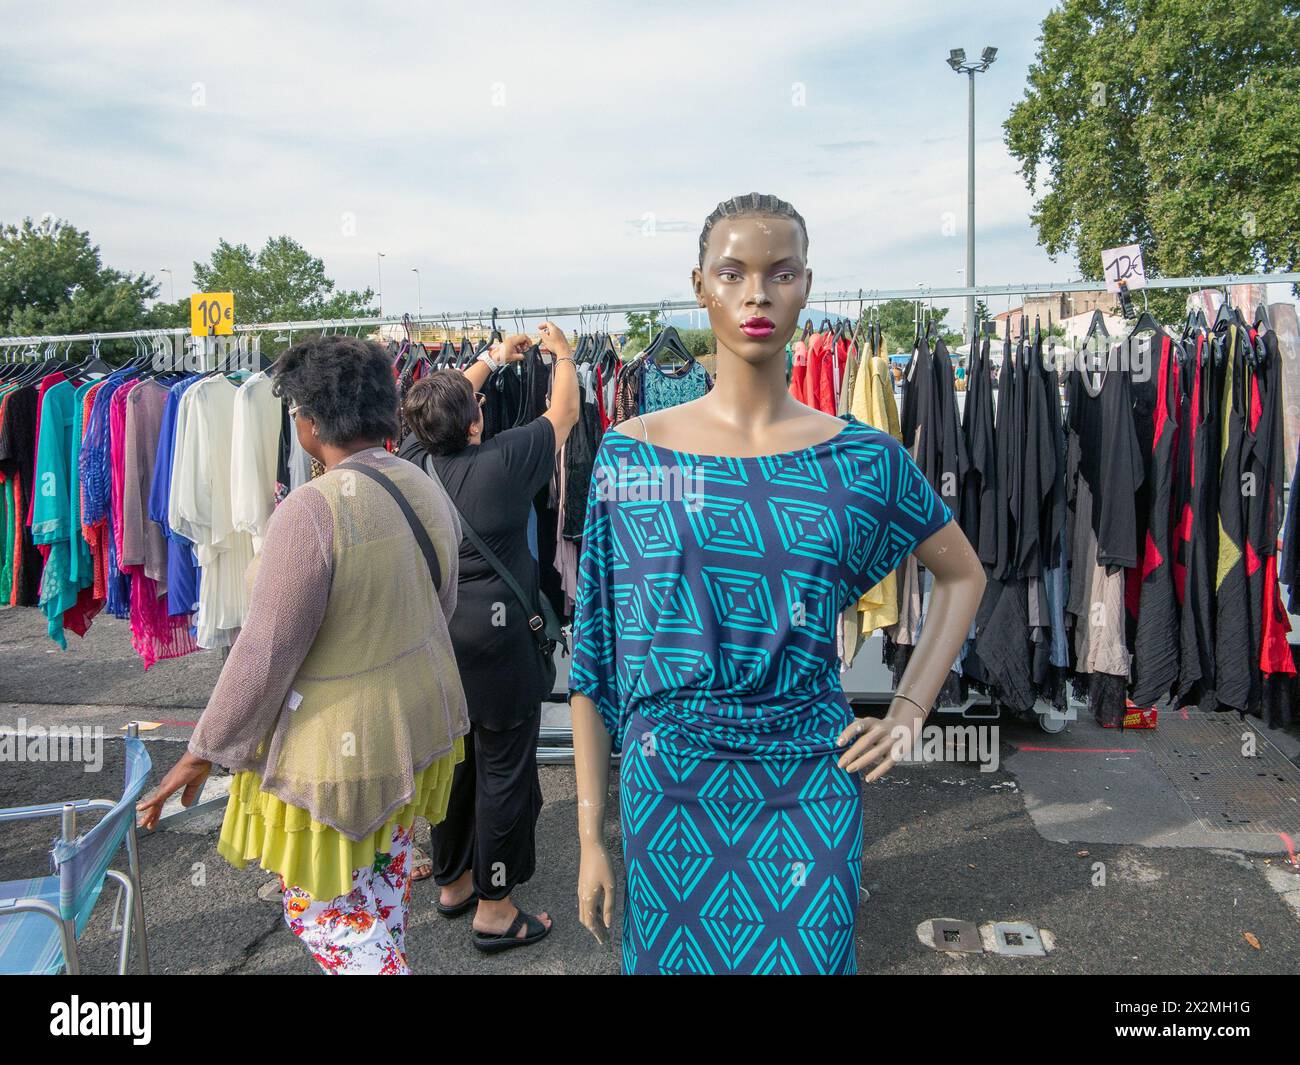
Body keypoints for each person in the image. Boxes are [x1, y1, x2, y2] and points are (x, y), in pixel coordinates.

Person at [569, 193, 986, 974]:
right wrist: (591, 833)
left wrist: (906, 713)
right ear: (700, 286)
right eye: (733, 273)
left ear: (807, 285)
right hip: (670, 791)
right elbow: (593, 653)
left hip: (809, 782)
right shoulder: (631, 458)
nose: (757, 293)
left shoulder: (863, 460)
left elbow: (964, 574)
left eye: (780, 272)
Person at [137, 336, 469, 975]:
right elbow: (440, 603)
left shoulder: (313, 511)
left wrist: (202, 751)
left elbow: (265, 654)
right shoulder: (422, 485)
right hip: (417, 724)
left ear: (310, 424)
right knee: (377, 889)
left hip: (341, 752)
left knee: (331, 917)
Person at [398, 321, 579, 952]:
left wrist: (491, 360)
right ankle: (496, 909)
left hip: (437, 641)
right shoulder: (504, 460)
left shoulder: (410, 464)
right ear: (476, 421)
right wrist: (562, 355)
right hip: (499, 646)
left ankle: (453, 883)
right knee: (503, 770)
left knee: (453, 764)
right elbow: (566, 410)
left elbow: (438, 411)